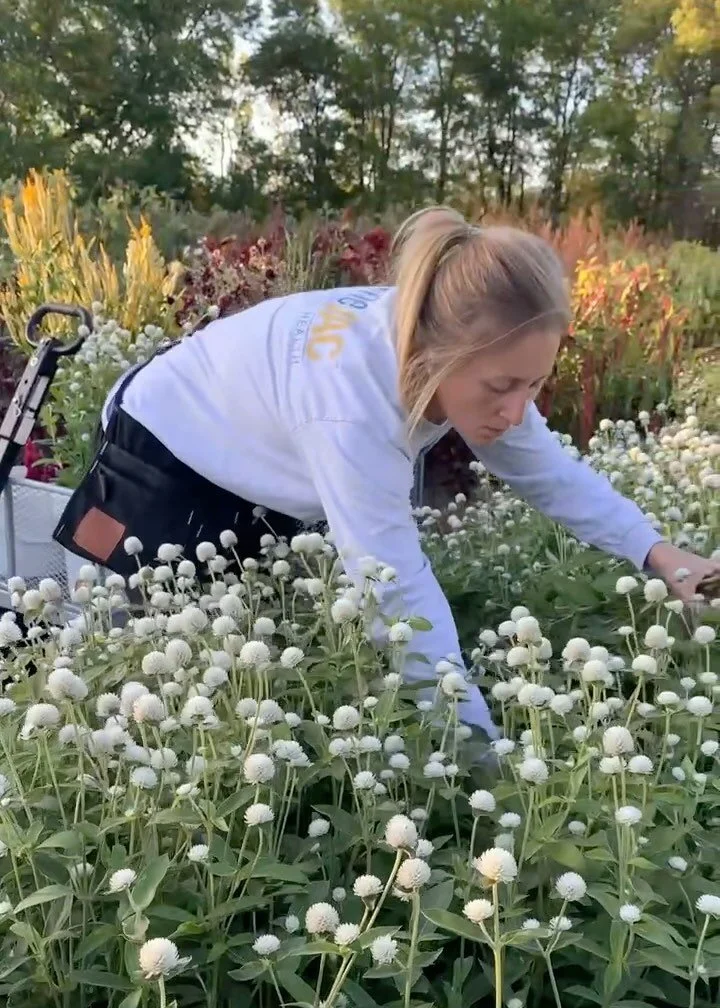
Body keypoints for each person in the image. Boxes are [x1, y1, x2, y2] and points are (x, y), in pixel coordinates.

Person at [54, 207, 716, 740]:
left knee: (253, 665)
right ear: (436, 355)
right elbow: (392, 588)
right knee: (144, 685)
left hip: (257, 450)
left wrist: (658, 554)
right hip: (165, 448)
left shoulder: (443, 330)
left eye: (536, 384)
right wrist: (481, 752)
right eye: (503, 386)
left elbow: (552, 474)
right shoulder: (353, 408)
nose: (518, 412)